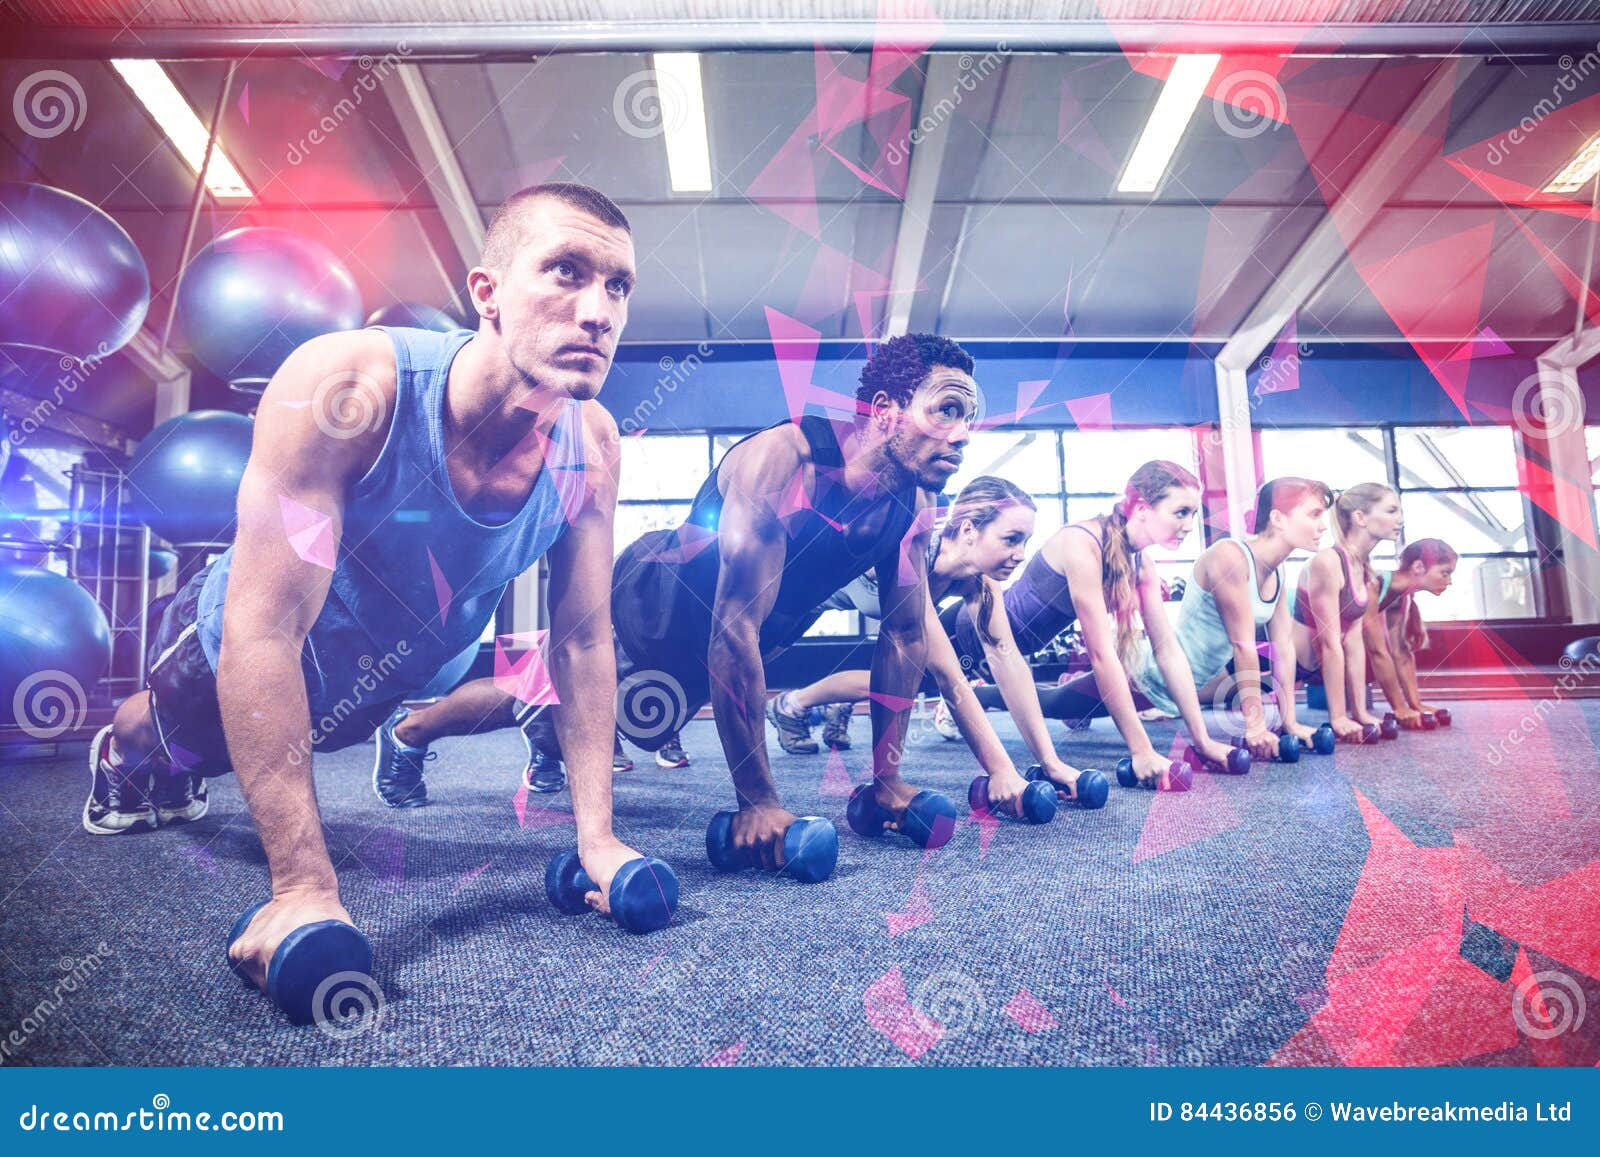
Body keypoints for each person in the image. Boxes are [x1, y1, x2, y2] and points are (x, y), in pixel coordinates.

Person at [82, 182, 646, 983]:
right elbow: (263, 631)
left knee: (276, 752)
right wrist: (302, 888)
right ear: (486, 293)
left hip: (382, 687)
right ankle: (124, 753)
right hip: (236, 655)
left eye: (618, 286)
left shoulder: (595, 445)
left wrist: (599, 838)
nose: (598, 312)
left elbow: (584, 641)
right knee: (174, 746)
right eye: (566, 271)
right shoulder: (350, 387)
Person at [525, 332, 976, 861]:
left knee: (646, 728)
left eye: (970, 417)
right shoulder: (785, 461)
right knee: (562, 716)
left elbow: (904, 634)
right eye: (948, 410)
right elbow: (733, 626)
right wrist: (758, 803)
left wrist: (887, 779)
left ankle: (548, 720)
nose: (964, 434)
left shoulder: (915, 504)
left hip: (735, 641)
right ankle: (476, 718)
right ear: (884, 410)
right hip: (653, 609)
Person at [768, 476, 1100, 809]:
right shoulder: (913, 551)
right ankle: (786, 707)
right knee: (756, 656)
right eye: (1011, 540)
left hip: (829, 600)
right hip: (792, 590)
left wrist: (1050, 762)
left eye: (1025, 542)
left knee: (907, 677)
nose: (1021, 555)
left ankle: (801, 706)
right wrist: (1001, 771)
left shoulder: (981, 582)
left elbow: (1006, 659)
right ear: (969, 530)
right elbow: (948, 676)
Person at [964, 460, 1206, 786]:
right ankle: (966, 695)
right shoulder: (1082, 543)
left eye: (1194, 514)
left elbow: (1168, 651)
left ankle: (972, 694)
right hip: (971, 633)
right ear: (1143, 509)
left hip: (1011, 653)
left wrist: (1203, 741)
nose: (1189, 525)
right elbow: (1102, 655)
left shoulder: (1141, 564)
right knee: (899, 685)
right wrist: (1142, 751)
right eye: (1181, 512)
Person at [1139, 477, 1332, 761]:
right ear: (1278, 519)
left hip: (1197, 683)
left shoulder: (1277, 571)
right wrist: (1255, 725)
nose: (1323, 525)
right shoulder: (1230, 557)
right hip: (1154, 675)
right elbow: (1243, 646)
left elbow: (1283, 648)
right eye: (1314, 514)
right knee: (1069, 703)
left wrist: (1289, 721)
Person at [1291, 482, 1403, 743]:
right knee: (1200, 686)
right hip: (1276, 666)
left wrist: (1359, 712)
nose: (1400, 519)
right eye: (1391, 511)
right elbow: (1329, 644)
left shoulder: (1361, 567)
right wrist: (1339, 717)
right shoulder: (1328, 562)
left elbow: (1353, 641)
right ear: (1360, 517)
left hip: (1307, 669)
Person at [1362, 537, 1457, 728]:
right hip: (1313, 649)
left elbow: (1400, 651)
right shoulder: (1374, 584)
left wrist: (1415, 705)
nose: (1450, 581)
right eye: (1445, 573)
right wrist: (1399, 708)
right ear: (1418, 567)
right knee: (1375, 650)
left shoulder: (1403, 595)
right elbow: (1377, 651)